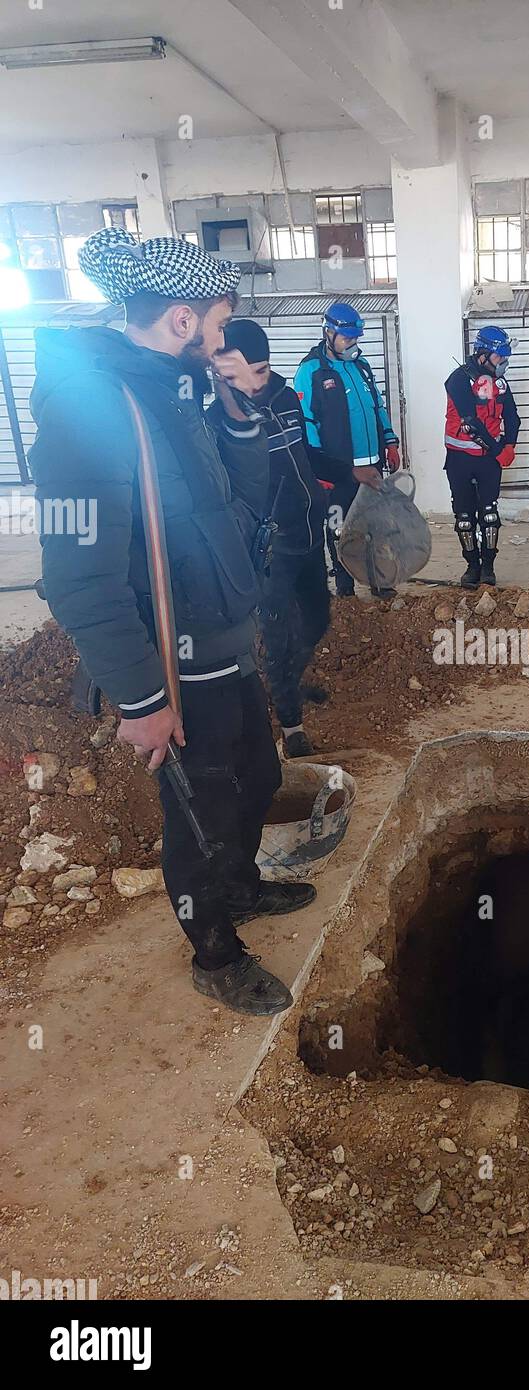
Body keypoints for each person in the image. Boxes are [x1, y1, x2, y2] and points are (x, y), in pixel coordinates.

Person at [29, 228, 314, 1018]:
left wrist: (242, 409)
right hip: (172, 665)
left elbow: (239, 504)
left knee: (256, 781)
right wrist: (141, 699)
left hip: (225, 639)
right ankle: (213, 952)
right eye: (218, 324)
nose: (225, 341)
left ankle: (243, 889)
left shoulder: (178, 389)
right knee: (202, 817)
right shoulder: (90, 408)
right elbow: (77, 579)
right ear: (183, 323)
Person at [218, 319, 329, 759]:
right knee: (277, 635)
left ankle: (287, 684)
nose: (257, 383)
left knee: (318, 621)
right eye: (247, 374)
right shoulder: (218, 423)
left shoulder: (285, 397)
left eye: (263, 370)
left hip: (309, 534)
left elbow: (305, 455)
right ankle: (290, 726)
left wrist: (352, 471)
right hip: (270, 550)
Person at [293, 302, 401, 597]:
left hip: (373, 466)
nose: (353, 343)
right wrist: (319, 468)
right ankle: (345, 585)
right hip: (340, 470)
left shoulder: (361, 367)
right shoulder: (311, 371)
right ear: (328, 332)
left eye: (355, 338)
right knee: (340, 527)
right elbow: (307, 423)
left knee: (376, 526)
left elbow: (376, 407)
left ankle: (379, 581)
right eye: (347, 338)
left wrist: (390, 441)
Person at [443, 325, 520, 588]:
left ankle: (488, 566)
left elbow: (512, 417)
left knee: (489, 515)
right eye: (500, 356)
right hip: (460, 460)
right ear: (483, 354)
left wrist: (510, 444)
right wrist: (499, 451)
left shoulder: (500, 383)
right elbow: (470, 423)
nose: (504, 362)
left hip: (488, 462)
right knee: (464, 518)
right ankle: (471, 565)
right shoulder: (458, 380)